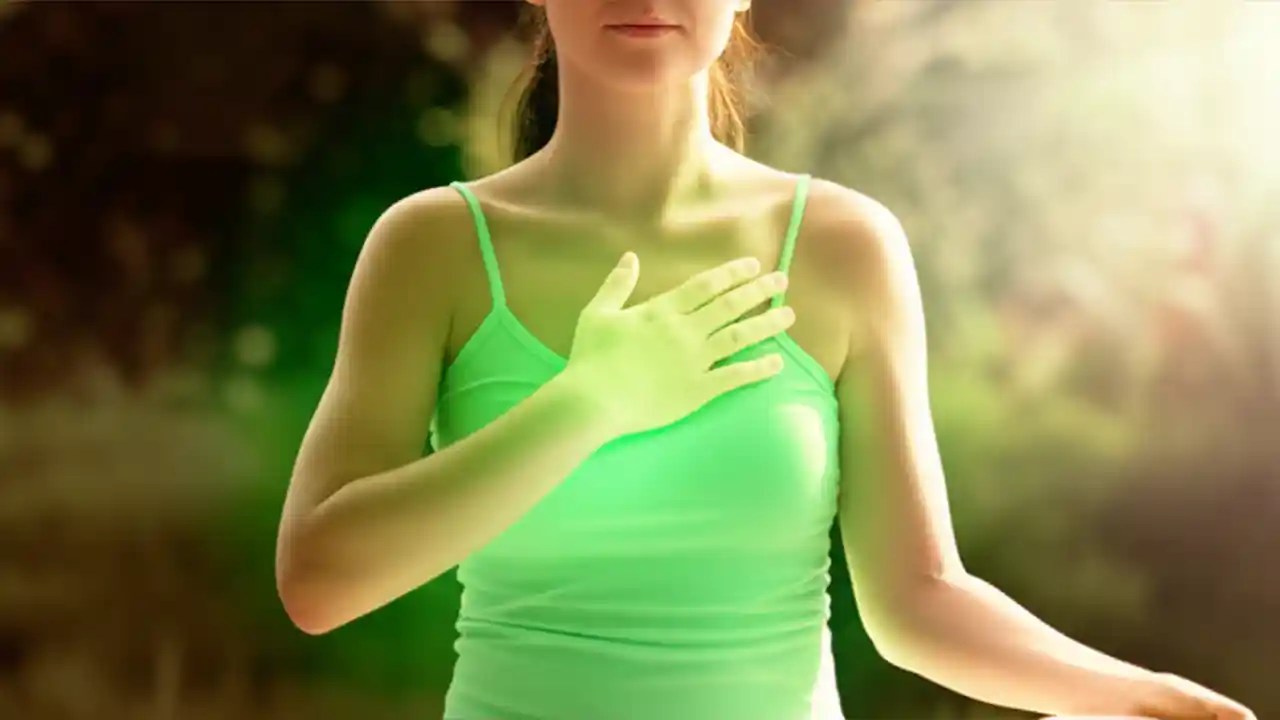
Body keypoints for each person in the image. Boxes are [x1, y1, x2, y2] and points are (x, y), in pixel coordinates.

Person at [274, 2, 1258, 719]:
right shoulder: (435, 247)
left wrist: (1133, 695)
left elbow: (916, 601)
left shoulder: (841, 244)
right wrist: (589, 402)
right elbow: (318, 580)